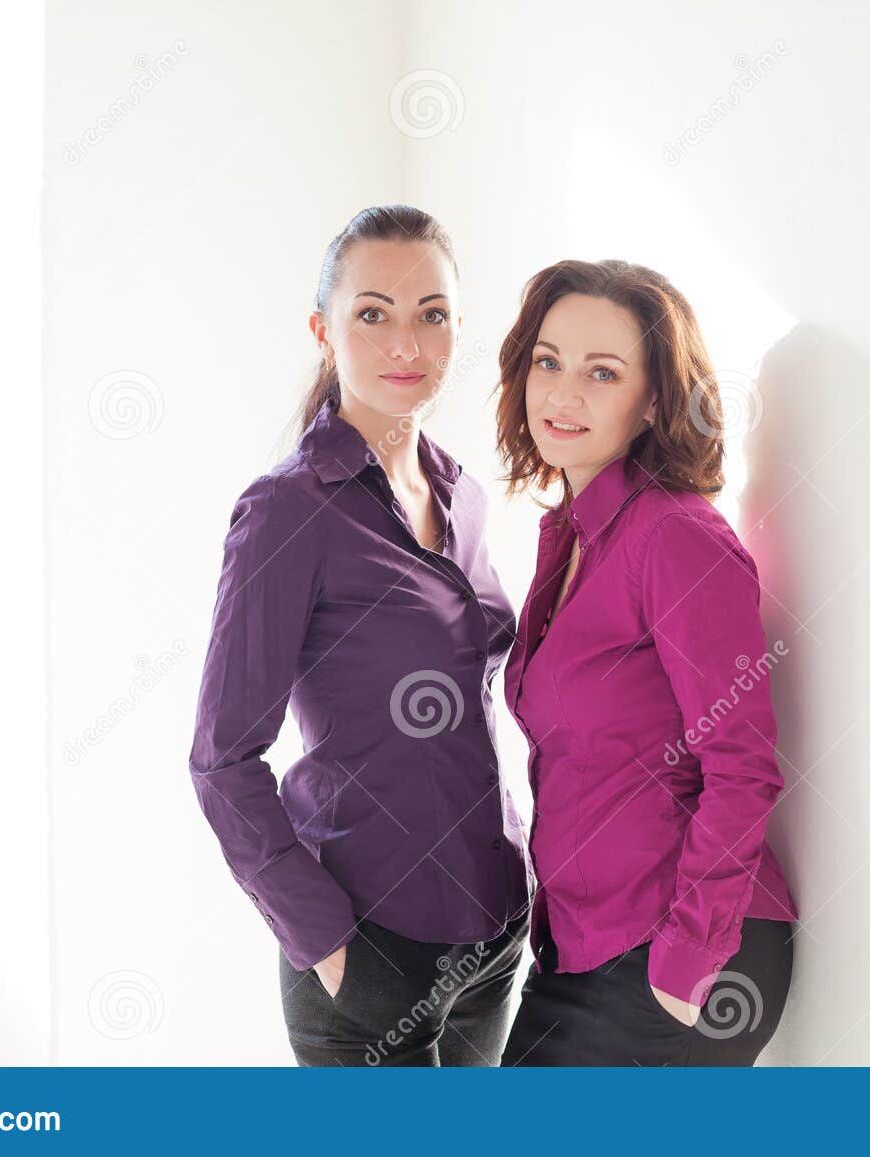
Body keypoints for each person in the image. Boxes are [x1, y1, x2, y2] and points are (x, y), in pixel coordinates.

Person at [187, 205, 530, 1066]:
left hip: (492, 932)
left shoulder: (465, 496)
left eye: (432, 314)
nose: (405, 343)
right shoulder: (288, 510)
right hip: (372, 944)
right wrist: (326, 941)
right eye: (372, 313)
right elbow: (222, 756)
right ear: (323, 331)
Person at [495, 259, 799, 1066]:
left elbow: (743, 763)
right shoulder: (569, 537)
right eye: (548, 361)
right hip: (577, 947)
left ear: (655, 399)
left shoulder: (673, 536)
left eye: (604, 372)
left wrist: (686, 960)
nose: (564, 393)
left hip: (679, 950)